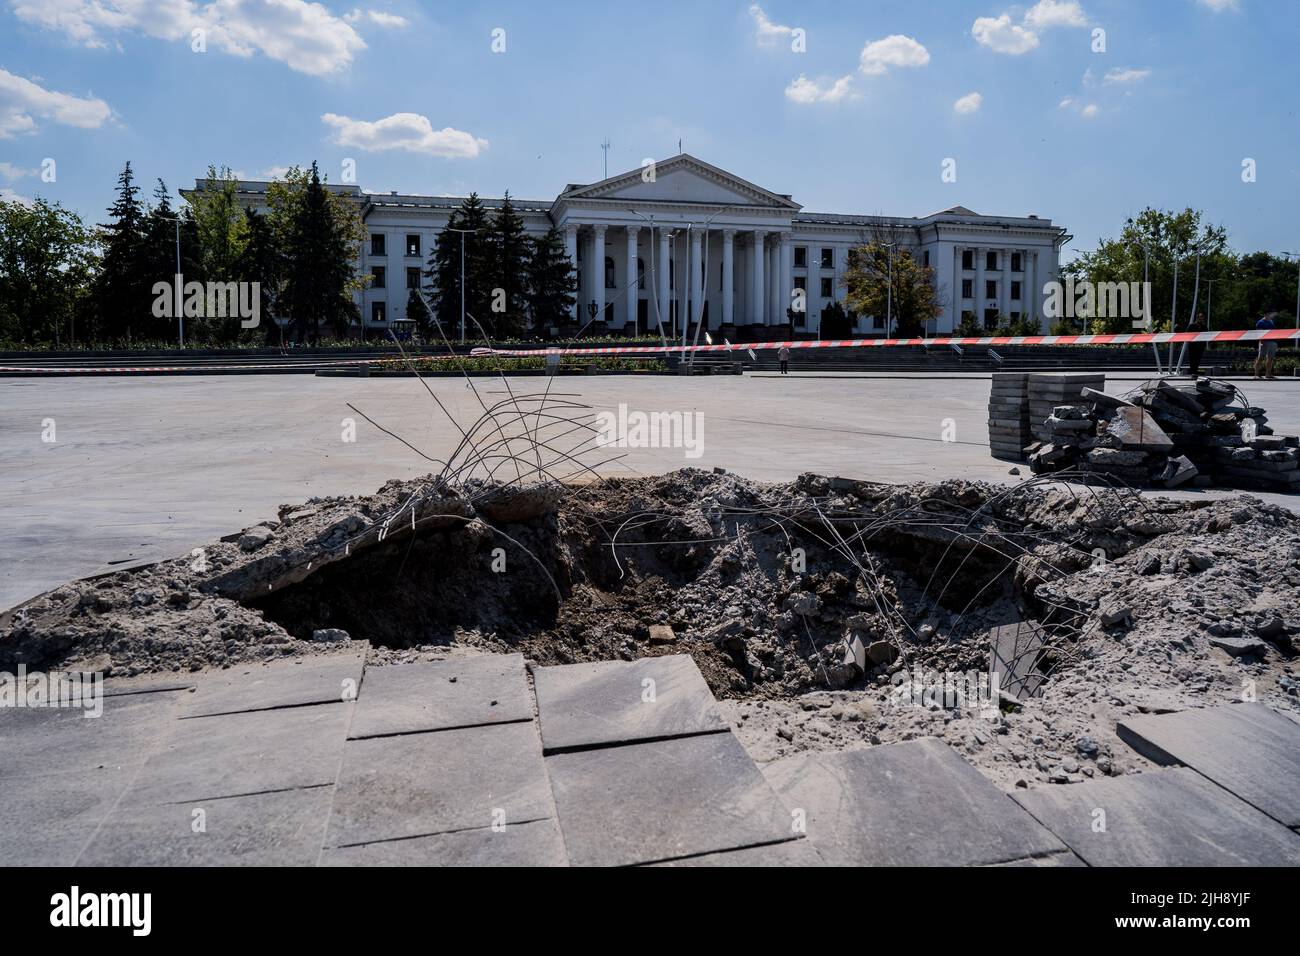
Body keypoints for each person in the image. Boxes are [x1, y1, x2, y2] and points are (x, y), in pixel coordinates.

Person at [1254, 311, 1278, 380]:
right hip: (1264, 342)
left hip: (1273, 342)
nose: (1270, 315)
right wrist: (1261, 341)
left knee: (1270, 358)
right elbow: (1259, 333)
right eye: (1269, 314)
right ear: (1265, 314)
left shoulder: (1271, 321)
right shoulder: (1260, 322)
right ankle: (1256, 374)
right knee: (1260, 358)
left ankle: (1268, 374)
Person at [1187, 314, 1207, 378]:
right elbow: (1187, 334)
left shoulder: (1204, 327)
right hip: (1192, 346)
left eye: (1202, 318)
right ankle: (1193, 371)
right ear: (1197, 318)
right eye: (1200, 318)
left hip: (1200, 346)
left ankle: (1195, 371)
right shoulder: (1191, 326)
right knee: (1192, 359)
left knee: (1198, 359)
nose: (1201, 319)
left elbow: (1207, 335)